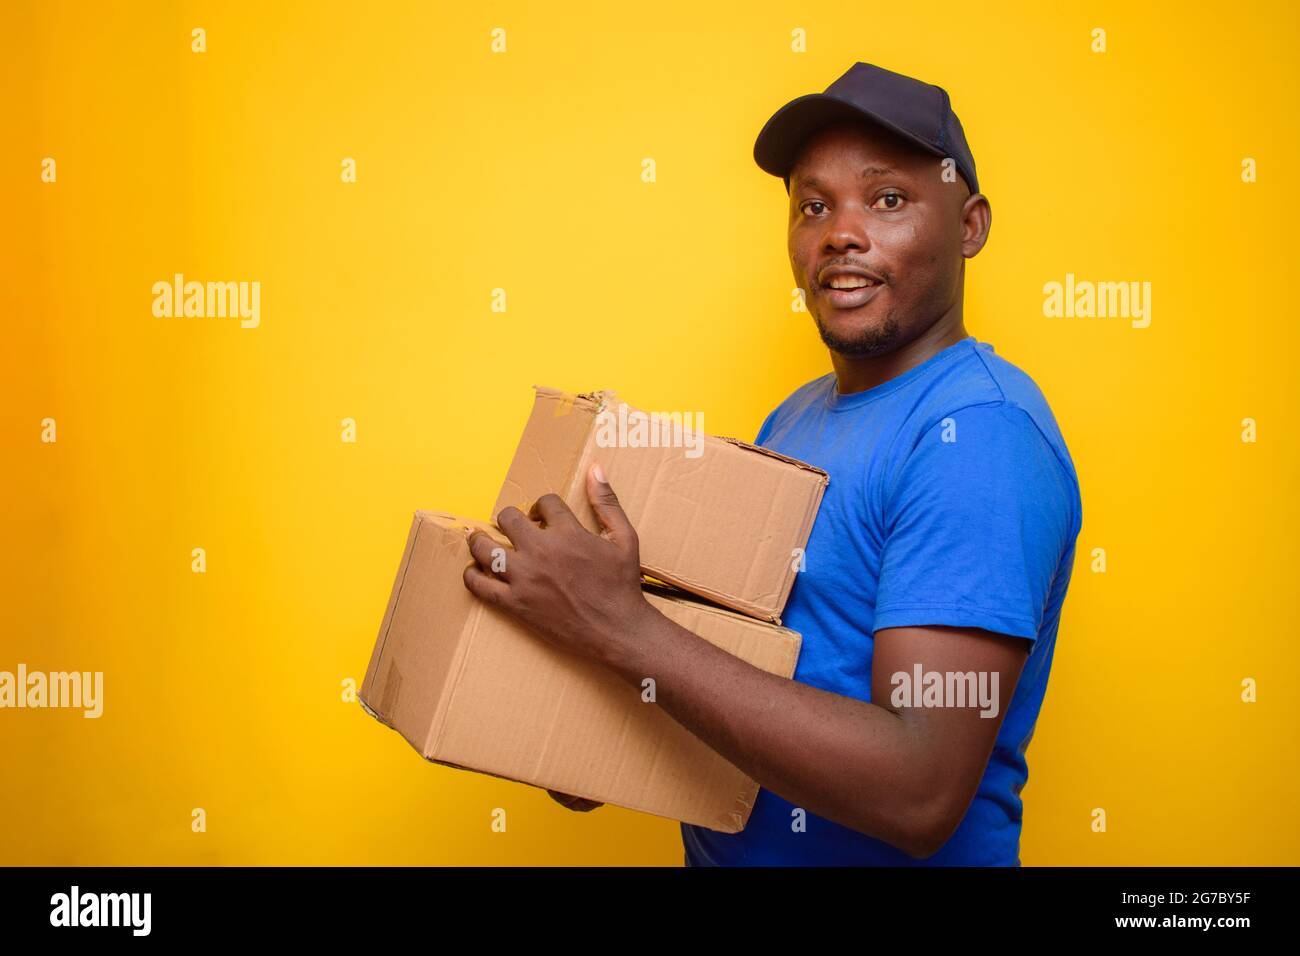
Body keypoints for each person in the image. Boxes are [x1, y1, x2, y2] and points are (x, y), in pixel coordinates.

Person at [462, 61, 1082, 865]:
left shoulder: (978, 436)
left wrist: (621, 630)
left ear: (969, 225)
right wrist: (603, 705)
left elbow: (918, 786)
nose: (840, 233)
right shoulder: (794, 418)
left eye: (887, 199)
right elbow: (740, 680)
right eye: (813, 206)